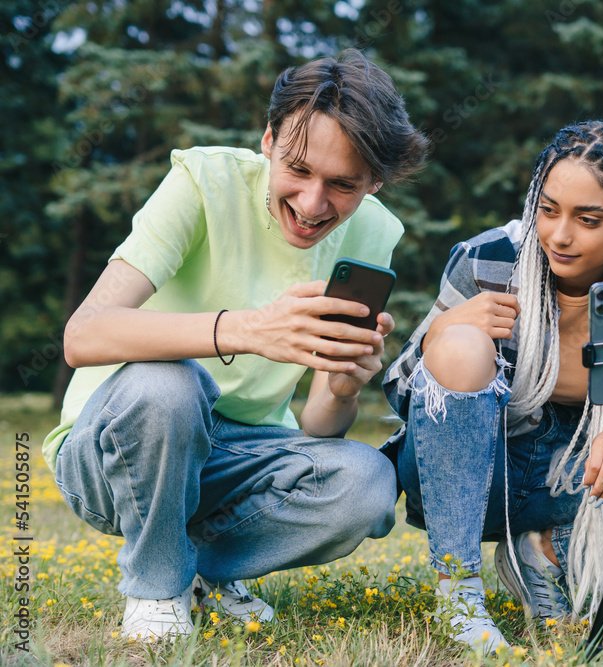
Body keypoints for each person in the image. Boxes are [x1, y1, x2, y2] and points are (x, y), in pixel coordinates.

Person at [42, 50, 429, 642]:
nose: (313, 204)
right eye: (297, 169)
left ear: (373, 182)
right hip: (117, 444)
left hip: (239, 451)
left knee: (368, 483)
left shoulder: (373, 231)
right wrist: (246, 329)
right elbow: (83, 334)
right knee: (167, 383)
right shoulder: (202, 181)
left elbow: (320, 429)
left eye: (343, 185)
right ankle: (156, 587)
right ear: (269, 140)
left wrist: (345, 384)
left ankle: (197, 567)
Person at [381, 120, 603, 653]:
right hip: (480, 477)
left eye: (588, 218)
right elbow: (405, 399)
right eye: (548, 209)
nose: (559, 234)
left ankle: (548, 551)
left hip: (581, 483)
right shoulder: (487, 261)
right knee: (461, 345)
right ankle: (458, 592)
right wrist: (441, 333)